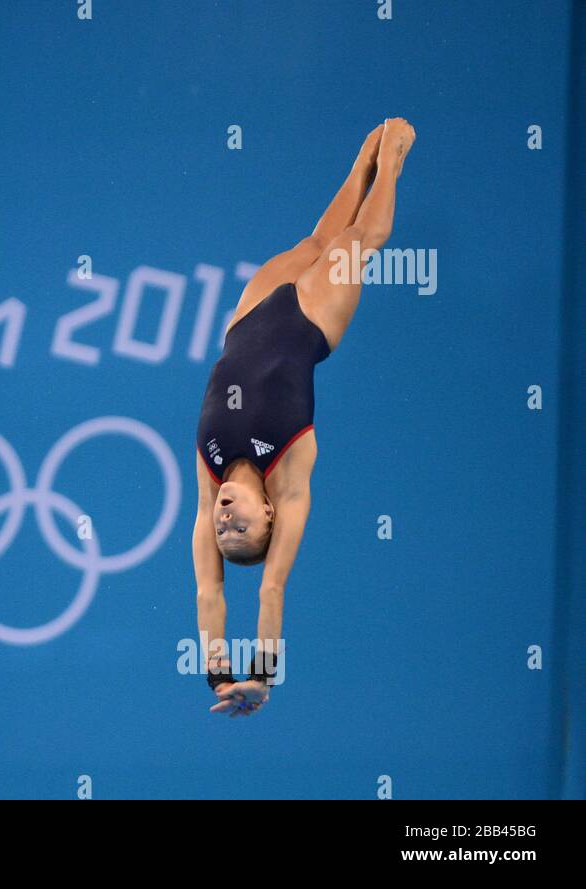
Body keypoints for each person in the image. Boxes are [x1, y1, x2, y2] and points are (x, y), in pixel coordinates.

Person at [193, 119, 415, 717]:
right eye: (242, 529)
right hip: (311, 327)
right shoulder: (290, 473)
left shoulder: (209, 473)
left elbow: (210, 591)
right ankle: (392, 159)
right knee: (355, 243)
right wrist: (259, 677)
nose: (224, 522)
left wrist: (215, 680)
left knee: (317, 240)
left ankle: (359, 163)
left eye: (222, 532)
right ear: (269, 514)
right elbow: (270, 588)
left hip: (246, 322)